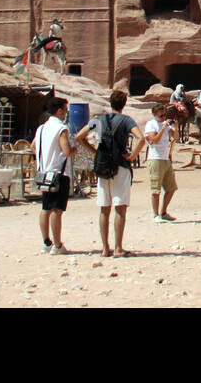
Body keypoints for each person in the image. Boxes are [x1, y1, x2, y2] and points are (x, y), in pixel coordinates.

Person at [75, 90, 145, 258]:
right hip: (120, 165)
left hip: (102, 165)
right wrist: (132, 156)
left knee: (104, 209)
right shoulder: (126, 120)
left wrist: (93, 151)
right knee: (120, 209)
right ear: (124, 104)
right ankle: (118, 248)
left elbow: (79, 136)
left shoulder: (99, 119)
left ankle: (105, 248)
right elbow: (141, 138)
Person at [35, 97, 76, 254]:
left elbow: (33, 147)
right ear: (59, 111)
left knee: (45, 207)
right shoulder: (61, 128)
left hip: (44, 172)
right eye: (65, 110)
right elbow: (67, 151)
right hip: (58, 173)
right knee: (56, 210)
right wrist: (75, 149)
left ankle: (47, 242)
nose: (66, 113)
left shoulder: (41, 128)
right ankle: (58, 245)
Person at [144, 104, 177, 222]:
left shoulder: (165, 125)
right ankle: (155, 214)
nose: (163, 117)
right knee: (156, 189)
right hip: (155, 158)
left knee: (171, 187)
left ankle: (163, 212)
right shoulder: (151, 124)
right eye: (161, 115)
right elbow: (155, 140)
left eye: (164, 115)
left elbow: (175, 137)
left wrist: (175, 127)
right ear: (155, 115)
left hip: (165, 158)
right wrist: (163, 129)